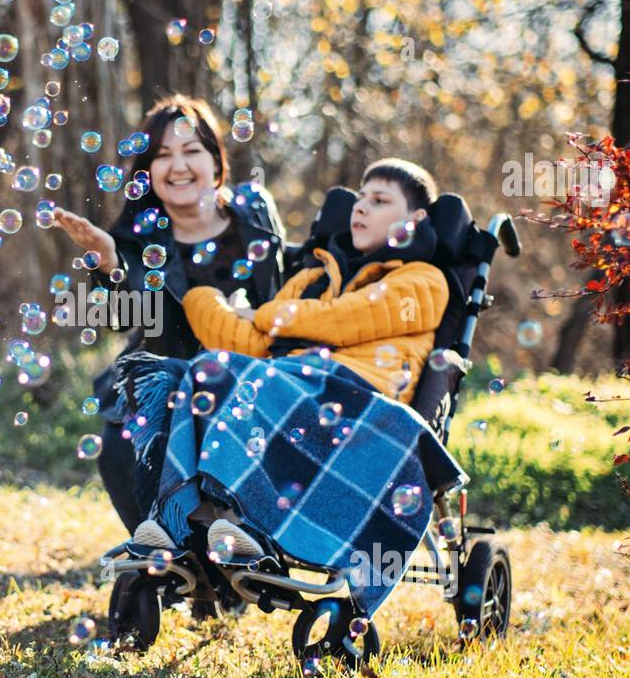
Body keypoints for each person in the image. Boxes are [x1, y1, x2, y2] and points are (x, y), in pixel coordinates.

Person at [115, 159, 465, 616]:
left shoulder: (423, 281)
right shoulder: (312, 278)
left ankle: (240, 522)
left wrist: (262, 315)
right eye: (360, 198)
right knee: (203, 372)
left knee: (251, 379)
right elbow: (250, 346)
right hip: (289, 385)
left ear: (414, 220)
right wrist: (204, 299)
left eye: (380, 201)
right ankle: (192, 521)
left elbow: (345, 319)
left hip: (361, 402)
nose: (361, 208)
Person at [52, 94, 288, 534]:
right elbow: (120, 318)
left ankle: (242, 543)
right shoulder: (138, 239)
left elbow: (281, 289)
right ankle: (165, 548)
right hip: (172, 380)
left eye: (191, 150)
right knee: (122, 444)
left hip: (253, 376)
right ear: (148, 173)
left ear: (216, 163)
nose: (178, 166)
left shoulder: (256, 212)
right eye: (162, 156)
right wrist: (109, 264)